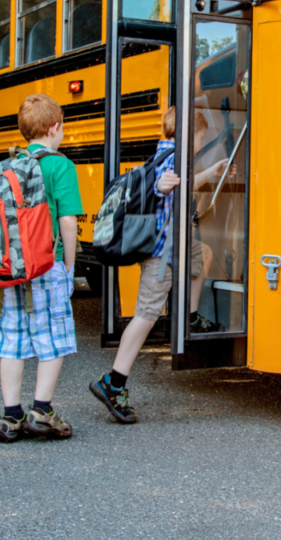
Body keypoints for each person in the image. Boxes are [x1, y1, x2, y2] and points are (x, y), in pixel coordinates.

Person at [89, 105, 227, 424]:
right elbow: (164, 184)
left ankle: (190, 317)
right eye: (201, 136)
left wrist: (212, 172)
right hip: (161, 254)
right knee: (146, 314)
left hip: (174, 247)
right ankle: (114, 382)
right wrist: (163, 186)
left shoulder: (163, 154)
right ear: (189, 133)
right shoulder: (172, 160)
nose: (201, 142)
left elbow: (182, 182)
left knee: (202, 254)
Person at [0, 94, 85, 443]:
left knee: (12, 338)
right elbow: (69, 221)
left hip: (10, 267)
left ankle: (10, 416)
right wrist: (69, 266)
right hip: (47, 264)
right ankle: (41, 410)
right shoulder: (60, 165)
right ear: (55, 127)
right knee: (54, 338)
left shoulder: (7, 165)